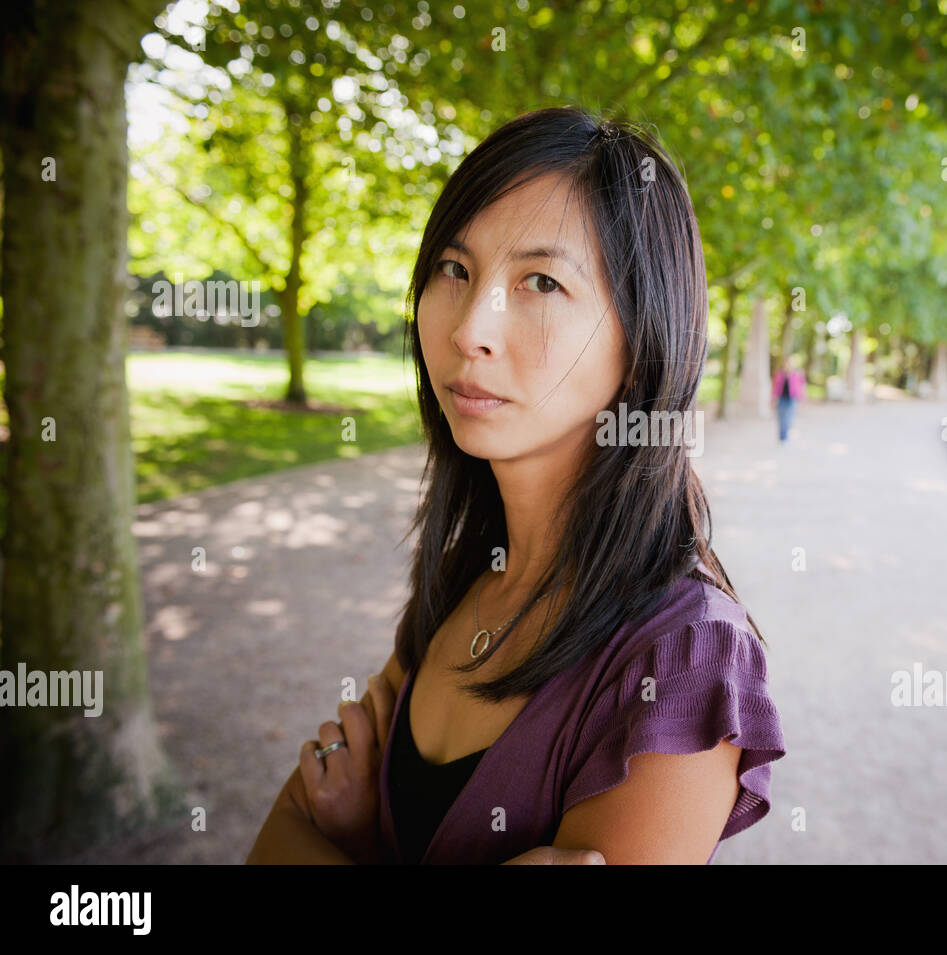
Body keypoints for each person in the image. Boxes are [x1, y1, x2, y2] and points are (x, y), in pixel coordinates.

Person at [247, 106, 786, 865]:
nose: (471, 327)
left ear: (644, 342)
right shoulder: (463, 574)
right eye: (454, 270)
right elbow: (274, 840)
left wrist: (343, 843)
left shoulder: (687, 662)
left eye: (540, 281)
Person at [771, 357, 806, 443]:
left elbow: (801, 385)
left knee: (789, 419)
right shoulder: (779, 374)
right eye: (786, 364)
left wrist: (802, 397)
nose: (787, 366)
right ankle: (782, 437)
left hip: (791, 399)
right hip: (781, 399)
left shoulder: (796, 374)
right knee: (781, 418)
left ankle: (785, 435)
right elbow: (775, 387)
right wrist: (773, 398)